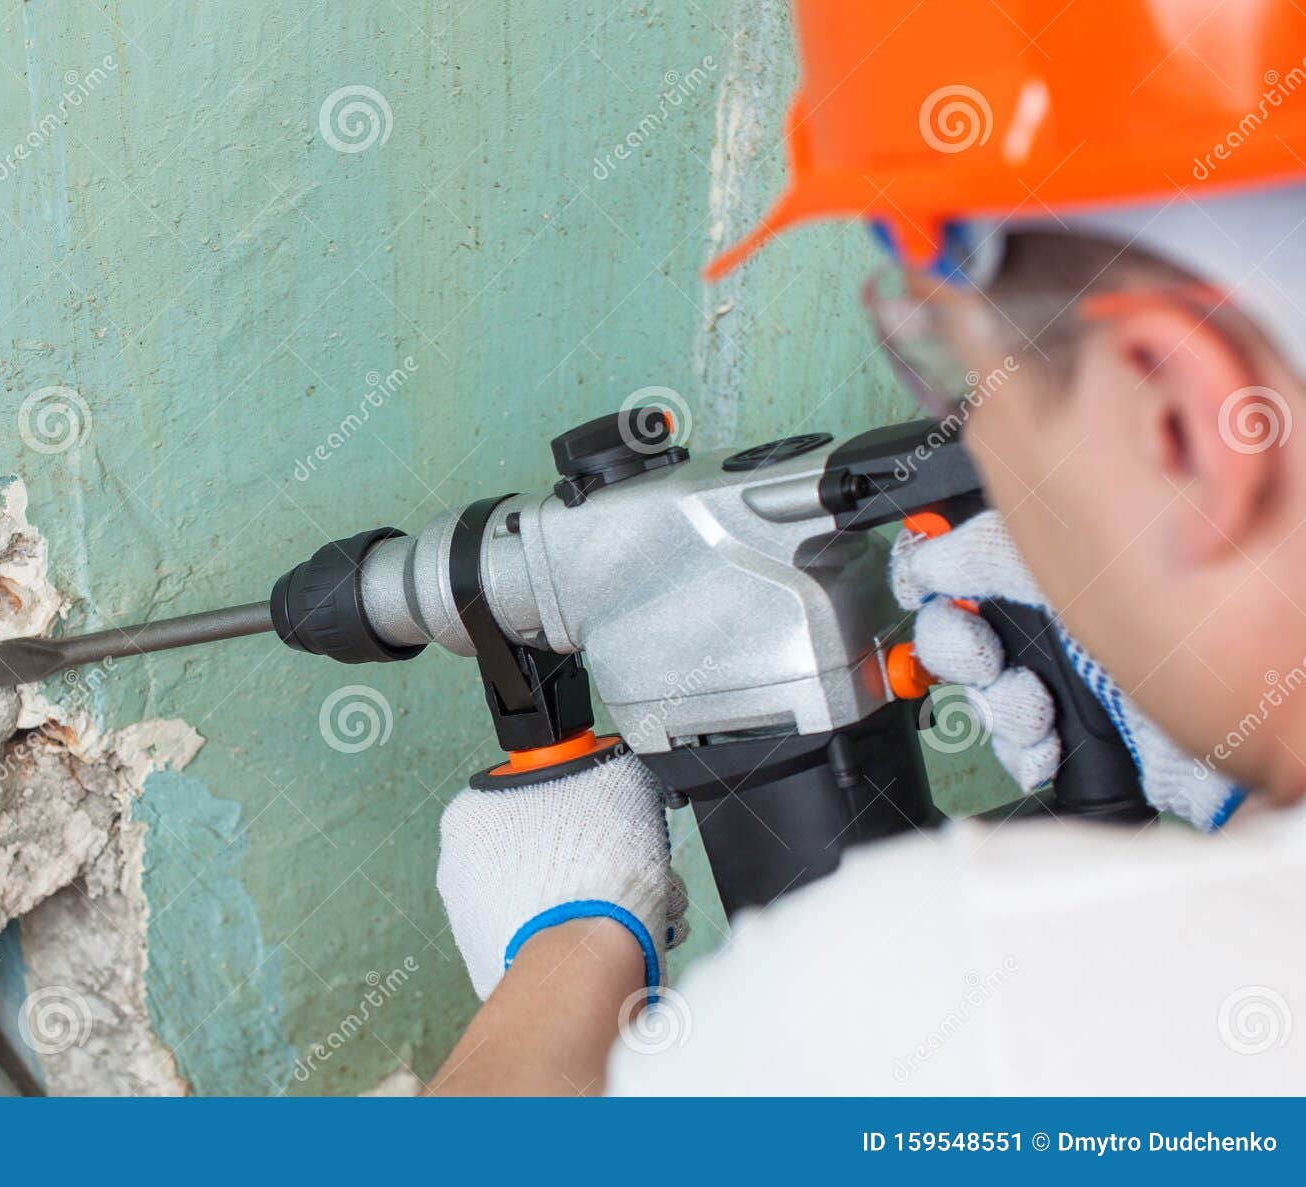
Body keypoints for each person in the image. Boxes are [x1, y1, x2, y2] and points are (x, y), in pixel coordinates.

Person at [426, 0, 1306, 1095]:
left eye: (945, 366)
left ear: (1179, 414)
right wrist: (1249, 782)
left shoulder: (927, 1002)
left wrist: (565, 938)